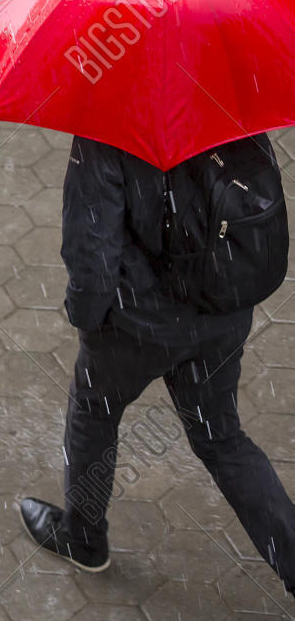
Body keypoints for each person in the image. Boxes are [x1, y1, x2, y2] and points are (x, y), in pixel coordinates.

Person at [23, 133, 295, 595]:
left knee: (94, 412)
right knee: (222, 439)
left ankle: (84, 539)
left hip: (139, 326)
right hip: (221, 313)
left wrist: (87, 321)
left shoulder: (104, 130)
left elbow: (91, 251)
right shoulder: (230, 103)